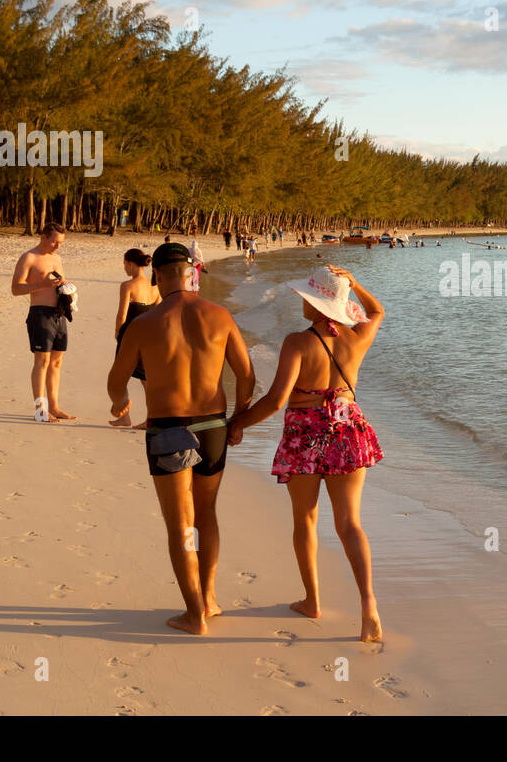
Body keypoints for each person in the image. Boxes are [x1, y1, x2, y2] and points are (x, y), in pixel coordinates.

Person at [228, 264, 385, 642]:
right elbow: (377, 311)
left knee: (306, 519)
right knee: (350, 524)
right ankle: (369, 606)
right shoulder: (357, 337)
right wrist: (354, 284)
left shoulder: (297, 342)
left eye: (305, 297)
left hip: (306, 433)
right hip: (348, 427)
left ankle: (312, 600)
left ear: (315, 304)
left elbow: (277, 399)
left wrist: (238, 424)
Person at [108, 242, 256, 635]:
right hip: (212, 427)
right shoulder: (219, 315)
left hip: (168, 428)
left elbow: (116, 380)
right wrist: (239, 418)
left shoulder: (143, 324)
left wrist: (119, 404)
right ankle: (208, 598)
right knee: (206, 514)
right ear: (191, 272)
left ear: (156, 275)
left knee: (180, 525)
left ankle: (194, 615)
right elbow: (246, 375)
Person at [11, 223, 74, 421]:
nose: (57, 246)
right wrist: (42, 285)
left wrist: (66, 286)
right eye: (54, 241)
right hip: (39, 313)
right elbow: (16, 288)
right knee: (42, 361)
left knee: (56, 362)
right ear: (43, 237)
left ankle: (54, 407)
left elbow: (59, 282)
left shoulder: (57, 258)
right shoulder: (29, 257)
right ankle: (40, 410)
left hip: (59, 313)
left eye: (61, 242)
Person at [110, 249, 161, 429]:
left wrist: (118, 333)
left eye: (125, 264)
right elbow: (158, 312)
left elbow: (122, 315)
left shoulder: (127, 285)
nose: (124, 268)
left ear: (130, 264)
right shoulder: (154, 286)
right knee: (147, 380)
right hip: (149, 336)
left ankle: (124, 415)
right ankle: (151, 419)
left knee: (120, 377)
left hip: (130, 335)